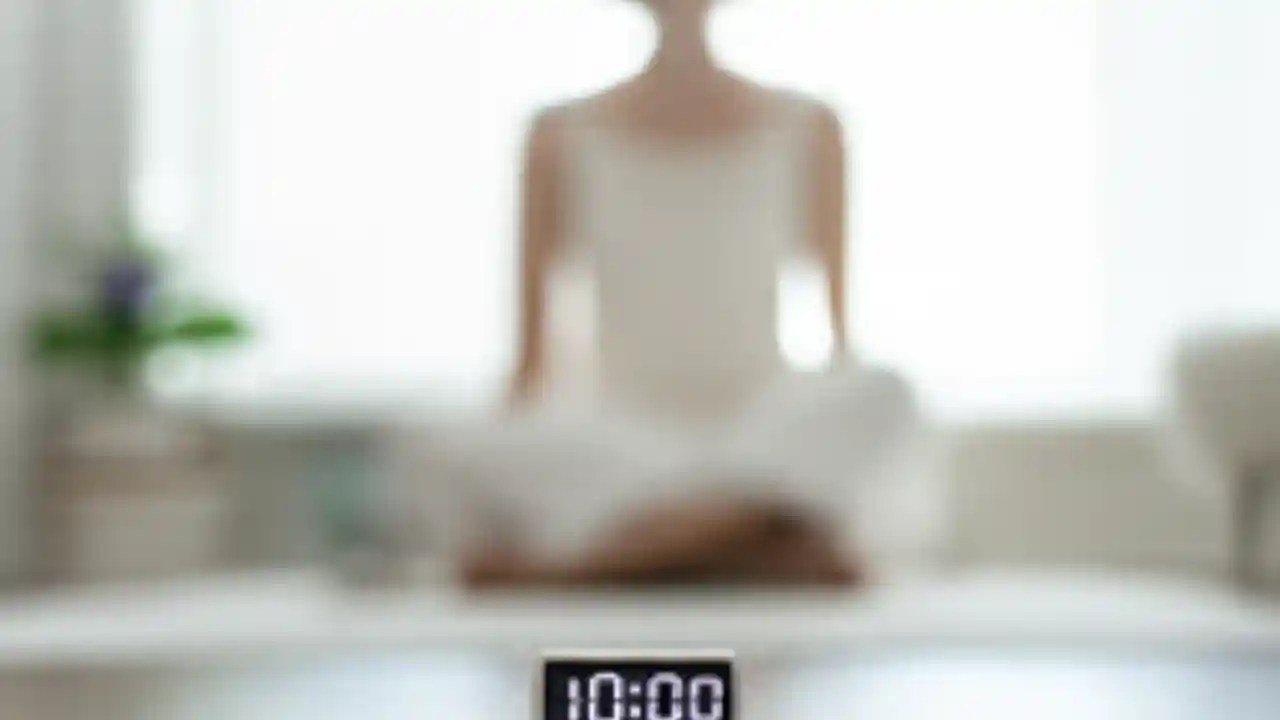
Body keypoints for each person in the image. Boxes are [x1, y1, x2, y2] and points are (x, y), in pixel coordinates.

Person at [410, 0, 918, 587]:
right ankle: (743, 542)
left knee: (886, 392)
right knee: (435, 440)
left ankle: (602, 566)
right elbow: (532, 359)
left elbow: (841, 343)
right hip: (621, 445)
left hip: (761, 435)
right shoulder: (560, 132)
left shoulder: (811, 125)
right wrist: (501, 452)